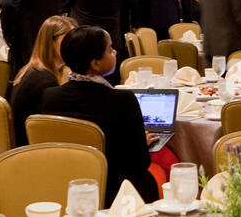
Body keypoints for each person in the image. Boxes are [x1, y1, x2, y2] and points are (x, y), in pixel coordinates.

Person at [39, 26, 158, 207]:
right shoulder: (122, 100)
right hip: (114, 190)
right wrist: (142, 143)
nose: (115, 52)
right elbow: (139, 163)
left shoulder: (49, 97)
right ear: (95, 63)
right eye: (110, 50)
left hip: (66, 183)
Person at [8, 14, 75, 146]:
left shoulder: (30, 70)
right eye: (68, 40)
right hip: (33, 150)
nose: (74, 46)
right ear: (51, 41)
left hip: (24, 145)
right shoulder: (44, 82)